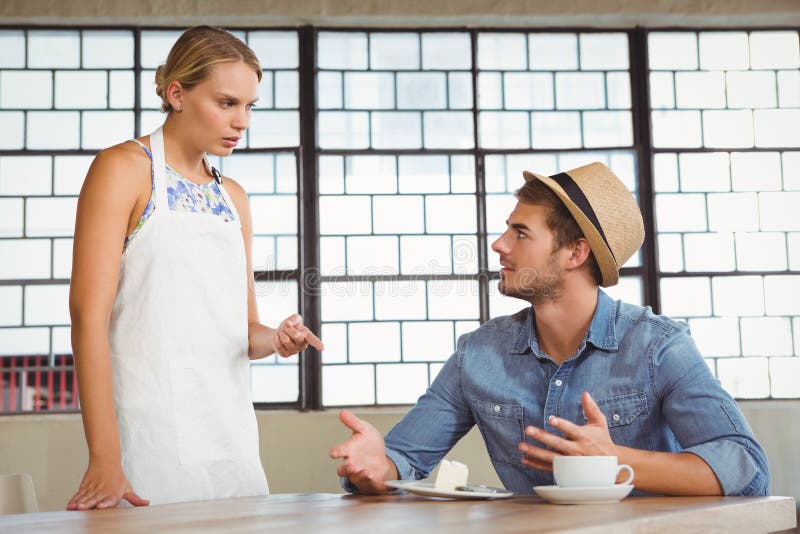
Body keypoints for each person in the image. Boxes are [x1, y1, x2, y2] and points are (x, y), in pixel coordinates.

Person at [330, 162, 769, 497]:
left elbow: (746, 466)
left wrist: (615, 460)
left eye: (521, 233)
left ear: (576, 252)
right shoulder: (477, 355)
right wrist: (376, 468)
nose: (499, 244)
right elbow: (403, 459)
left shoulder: (658, 346)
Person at [67, 26, 323, 510]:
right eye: (227, 103)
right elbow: (87, 318)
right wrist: (104, 456)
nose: (241, 120)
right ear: (176, 94)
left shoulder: (234, 199)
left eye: (249, 106)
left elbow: (245, 332)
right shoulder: (122, 169)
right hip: (147, 431)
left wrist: (277, 338)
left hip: (230, 434)